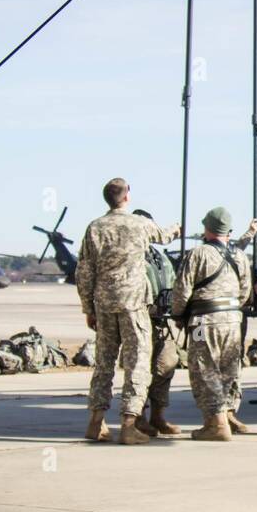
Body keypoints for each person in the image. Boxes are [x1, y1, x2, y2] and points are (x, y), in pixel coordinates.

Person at [75, 178, 179, 444]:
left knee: (104, 364)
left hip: (104, 305)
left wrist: (88, 307)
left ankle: (96, 422)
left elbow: (84, 272)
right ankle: (129, 424)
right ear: (127, 196)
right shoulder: (139, 223)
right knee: (137, 364)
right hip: (133, 305)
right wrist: (176, 229)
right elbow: (164, 237)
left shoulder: (95, 227)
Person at [171, 208, 252, 441]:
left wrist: (178, 315)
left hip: (202, 322)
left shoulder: (198, 254)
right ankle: (224, 416)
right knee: (228, 369)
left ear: (207, 228)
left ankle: (216, 423)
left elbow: (182, 290)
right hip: (233, 321)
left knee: (203, 369)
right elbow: (245, 292)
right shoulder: (240, 256)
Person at [132, 209, 182, 438]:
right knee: (141, 370)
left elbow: (173, 280)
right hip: (142, 319)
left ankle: (158, 416)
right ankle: (138, 416)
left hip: (164, 319)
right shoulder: (132, 255)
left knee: (166, 365)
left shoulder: (158, 256)